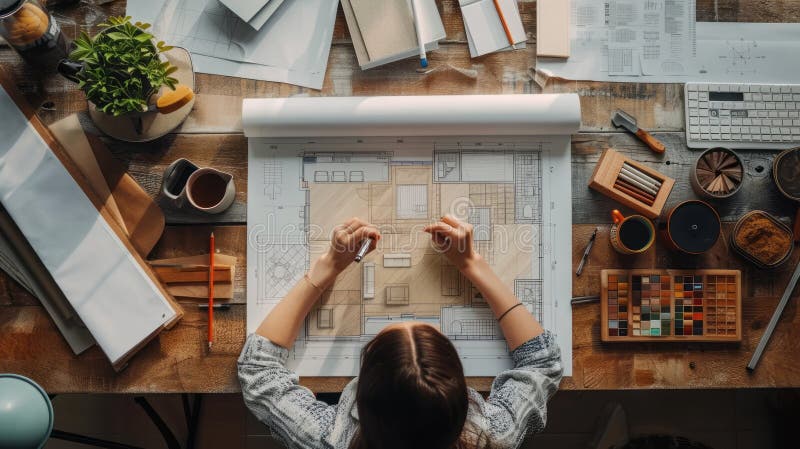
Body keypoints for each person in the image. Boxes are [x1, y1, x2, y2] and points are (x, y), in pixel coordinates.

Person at [239, 215, 562, 449]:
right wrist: (473, 264)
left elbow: (258, 371)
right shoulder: (494, 435)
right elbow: (542, 362)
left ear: (363, 394)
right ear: (461, 398)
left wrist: (325, 269)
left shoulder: (330, 439)